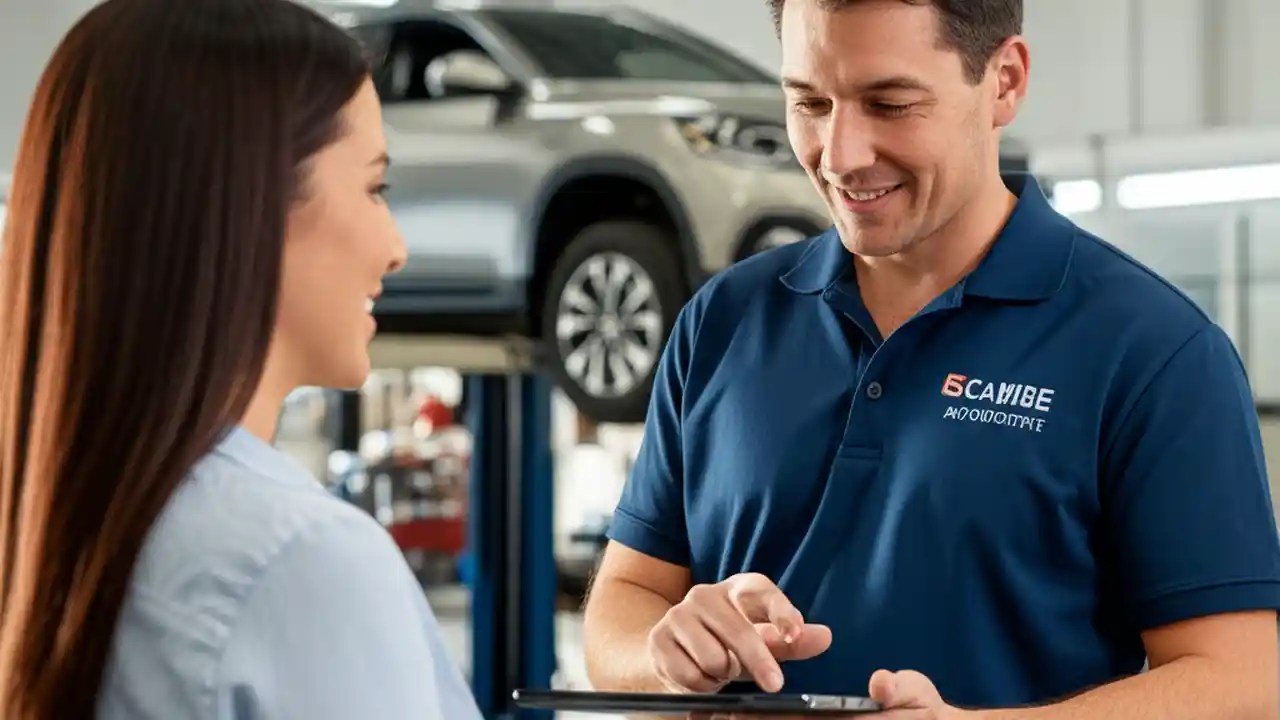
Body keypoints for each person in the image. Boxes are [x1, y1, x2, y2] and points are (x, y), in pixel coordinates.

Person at [583, 0, 1280, 718]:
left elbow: (1240, 683)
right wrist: (666, 654)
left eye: (889, 104)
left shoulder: (1153, 351)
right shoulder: (722, 321)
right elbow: (622, 610)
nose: (840, 153)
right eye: (811, 103)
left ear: (1003, 81)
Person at [0, 1, 483, 718]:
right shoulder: (298, 559)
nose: (396, 246)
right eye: (375, 188)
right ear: (253, 207)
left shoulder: (49, 531)